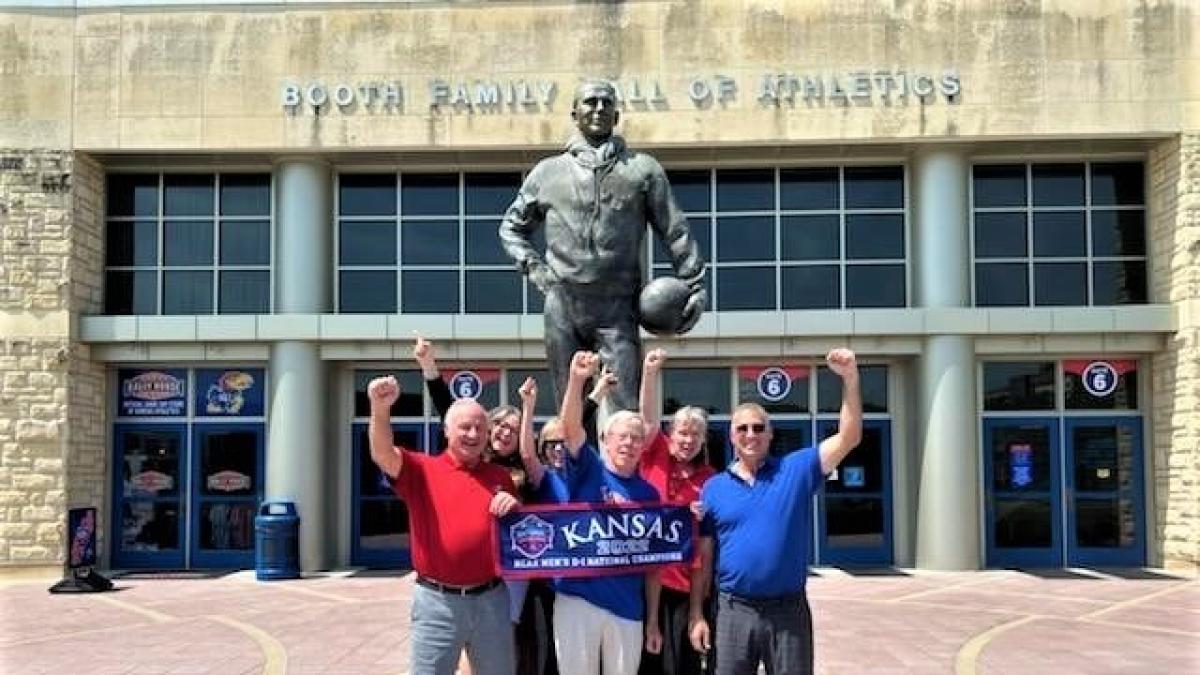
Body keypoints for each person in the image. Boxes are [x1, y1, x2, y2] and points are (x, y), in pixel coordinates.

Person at [499, 79, 707, 412]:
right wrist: (537, 271)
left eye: (606, 103)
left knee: (625, 411)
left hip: (617, 307)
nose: (598, 109)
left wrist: (695, 285)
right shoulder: (547, 173)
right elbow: (511, 229)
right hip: (563, 303)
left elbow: (674, 229)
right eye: (590, 102)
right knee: (571, 413)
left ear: (616, 114)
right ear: (574, 113)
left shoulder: (642, 169)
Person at [689, 348, 862, 675]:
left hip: (788, 611)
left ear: (770, 434)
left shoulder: (796, 471)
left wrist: (850, 379)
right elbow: (705, 557)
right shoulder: (713, 488)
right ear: (732, 437)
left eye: (758, 428)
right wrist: (697, 613)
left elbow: (849, 436)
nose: (751, 435)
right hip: (733, 609)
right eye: (743, 429)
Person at [366, 375, 519, 675]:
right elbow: (382, 453)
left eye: (479, 428)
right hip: (438, 603)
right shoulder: (422, 469)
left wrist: (515, 507)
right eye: (465, 427)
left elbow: (518, 531)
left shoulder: (500, 477)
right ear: (447, 430)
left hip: (492, 599)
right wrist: (380, 410)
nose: (473, 433)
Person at [549, 351, 664, 675]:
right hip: (577, 602)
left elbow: (655, 563)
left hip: (628, 607)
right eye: (622, 436)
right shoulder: (587, 469)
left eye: (636, 438)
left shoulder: (649, 494)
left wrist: (653, 620)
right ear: (605, 440)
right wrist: (576, 380)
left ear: (644, 446)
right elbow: (569, 427)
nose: (629, 443)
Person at [634, 348, 717, 675]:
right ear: (670, 437)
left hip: (686, 587)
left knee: (681, 665)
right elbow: (648, 418)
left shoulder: (710, 478)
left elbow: (708, 542)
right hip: (644, 582)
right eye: (683, 432)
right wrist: (650, 373)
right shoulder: (653, 455)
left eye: (696, 435)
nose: (688, 440)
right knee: (647, 664)